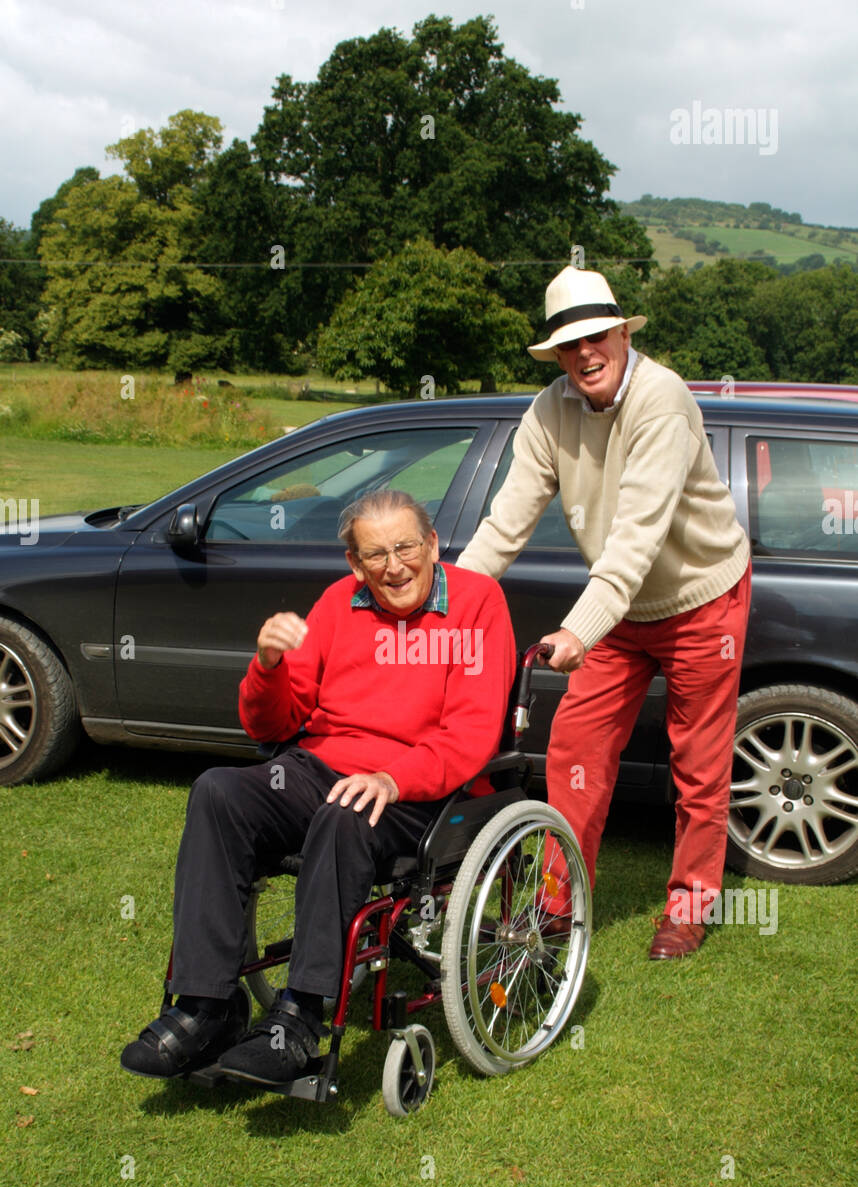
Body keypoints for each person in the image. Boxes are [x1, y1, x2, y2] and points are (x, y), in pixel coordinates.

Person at [121, 489, 516, 1085]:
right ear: (355, 564)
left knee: (344, 813)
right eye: (375, 554)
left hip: (421, 789)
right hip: (320, 766)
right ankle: (206, 1006)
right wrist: (268, 666)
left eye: (406, 546)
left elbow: (472, 734)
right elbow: (270, 725)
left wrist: (393, 776)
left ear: (433, 544)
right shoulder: (339, 603)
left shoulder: (478, 602)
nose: (394, 566)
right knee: (217, 791)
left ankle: (301, 1016)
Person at [457, 266, 751, 959]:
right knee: (575, 749)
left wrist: (577, 630)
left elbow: (635, 540)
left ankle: (689, 907)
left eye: (597, 336)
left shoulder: (662, 399)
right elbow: (505, 523)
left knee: (698, 764)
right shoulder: (550, 410)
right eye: (569, 344)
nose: (585, 353)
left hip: (700, 598)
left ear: (623, 333)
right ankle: (556, 907)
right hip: (618, 610)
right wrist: (447, 602)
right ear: (556, 355)